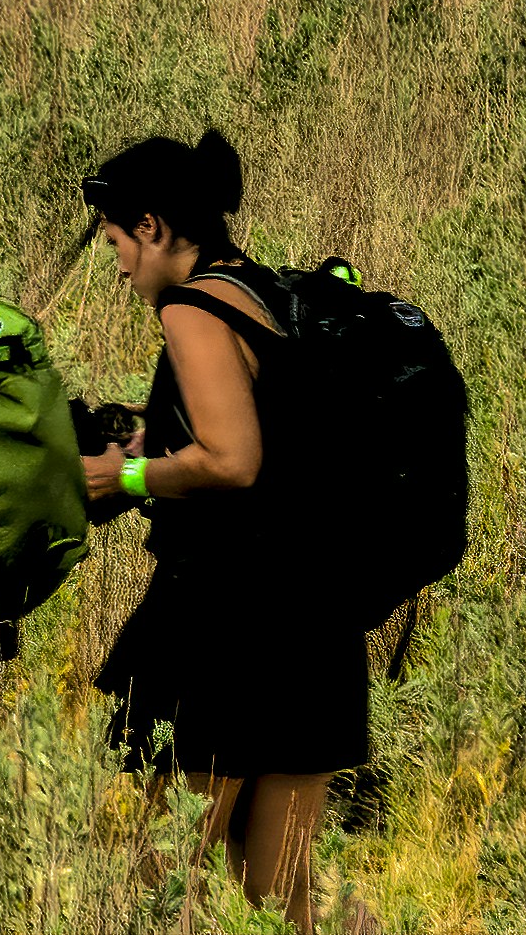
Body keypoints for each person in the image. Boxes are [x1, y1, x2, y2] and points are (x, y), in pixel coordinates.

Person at [75, 126, 365, 930]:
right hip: (317, 623)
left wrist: (120, 474)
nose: (120, 265)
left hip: (227, 624)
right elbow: (271, 444)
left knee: (161, 876)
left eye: (116, 243)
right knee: (284, 895)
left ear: (153, 227)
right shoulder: (276, 297)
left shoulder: (193, 310)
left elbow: (233, 461)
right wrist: (155, 444)